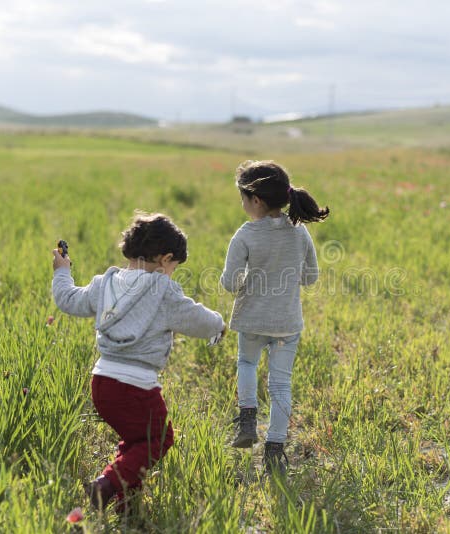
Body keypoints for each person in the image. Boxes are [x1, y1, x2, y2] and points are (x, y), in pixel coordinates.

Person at [52, 212, 226, 510]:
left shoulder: (104, 284)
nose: (172, 273)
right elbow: (197, 318)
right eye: (174, 267)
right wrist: (219, 325)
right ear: (165, 259)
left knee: (136, 440)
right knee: (158, 439)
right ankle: (106, 485)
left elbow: (67, 299)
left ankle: (125, 500)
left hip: (102, 383)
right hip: (136, 387)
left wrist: (62, 271)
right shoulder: (163, 290)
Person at [220, 160, 329, 476]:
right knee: (281, 384)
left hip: (252, 320)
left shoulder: (245, 235)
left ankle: (248, 419)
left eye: (243, 198)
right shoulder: (299, 231)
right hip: (286, 323)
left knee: (247, 365)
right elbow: (310, 278)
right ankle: (275, 450)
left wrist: (244, 283)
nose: (243, 205)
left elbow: (229, 282)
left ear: (255, 200)